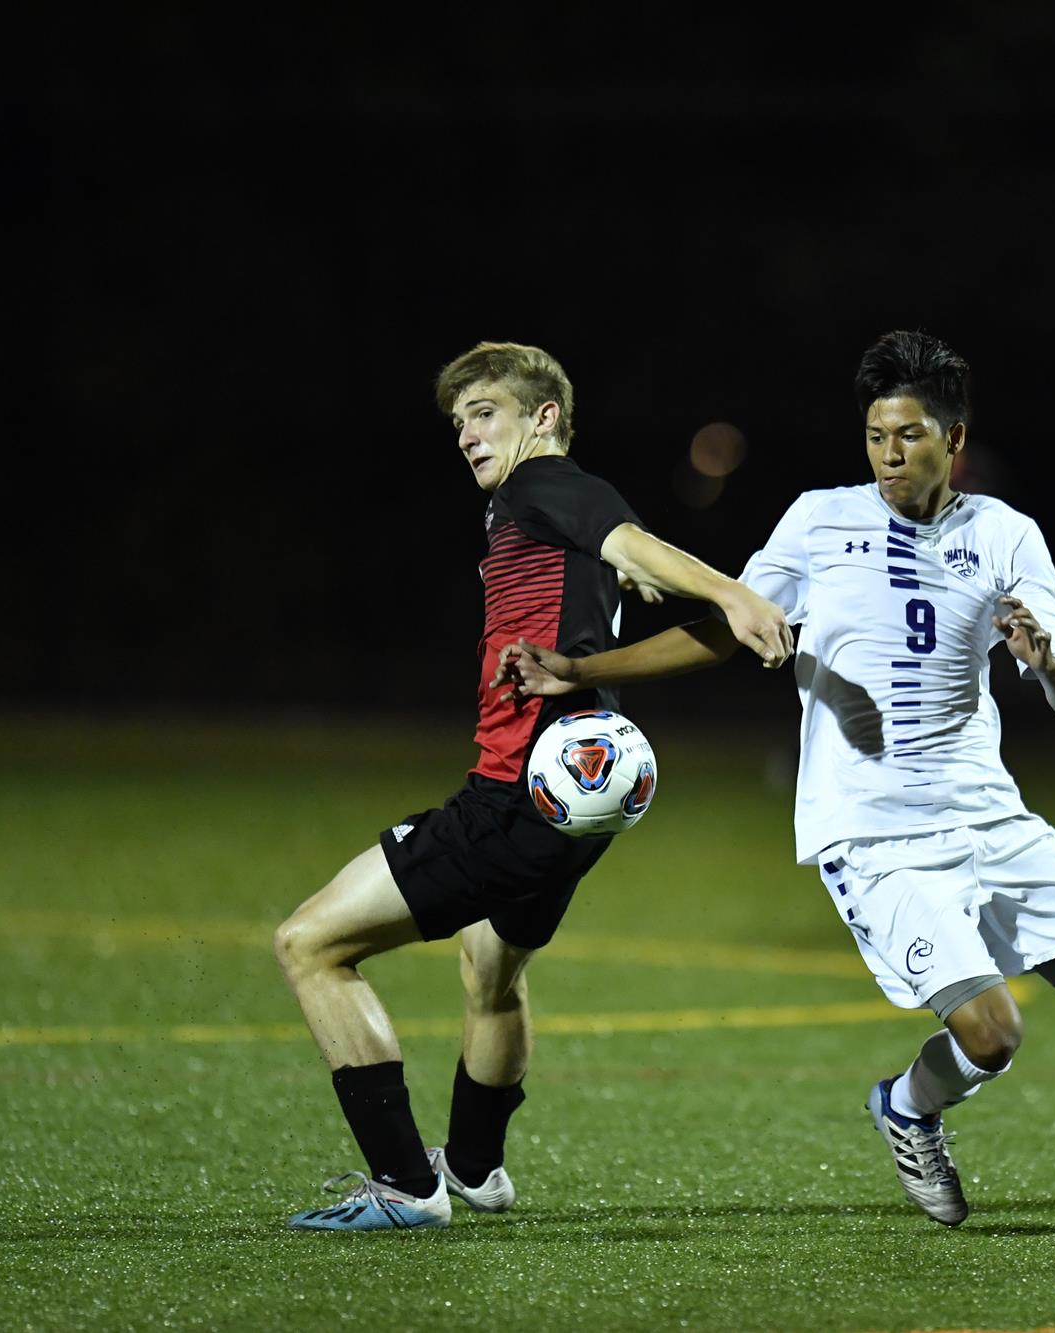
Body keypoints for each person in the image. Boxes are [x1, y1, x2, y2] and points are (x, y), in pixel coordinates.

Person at [504, 330, 1055, 1235]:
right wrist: (579, 668)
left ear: (954, 440)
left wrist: (1041, 661)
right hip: (872, 832)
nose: (888, 454)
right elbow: (728, 626)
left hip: (990, 816)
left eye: (909, 435)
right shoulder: (816, 521)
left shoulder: (1005, 535)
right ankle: (909, 1107)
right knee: (993, 1033)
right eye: (876, 434)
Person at [273, 341, 793, 1231]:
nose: (468, 435)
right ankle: (475, 1170)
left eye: (486, 413)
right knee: (491, 964)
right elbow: (613, 550)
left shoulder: (540, 486)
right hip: (572, 806)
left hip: (517, 796)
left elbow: (625, 534)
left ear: (542, 418)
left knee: (309, 943)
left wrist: (728, 592)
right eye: (459, 422)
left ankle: (406, 1186)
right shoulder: (545, 518)